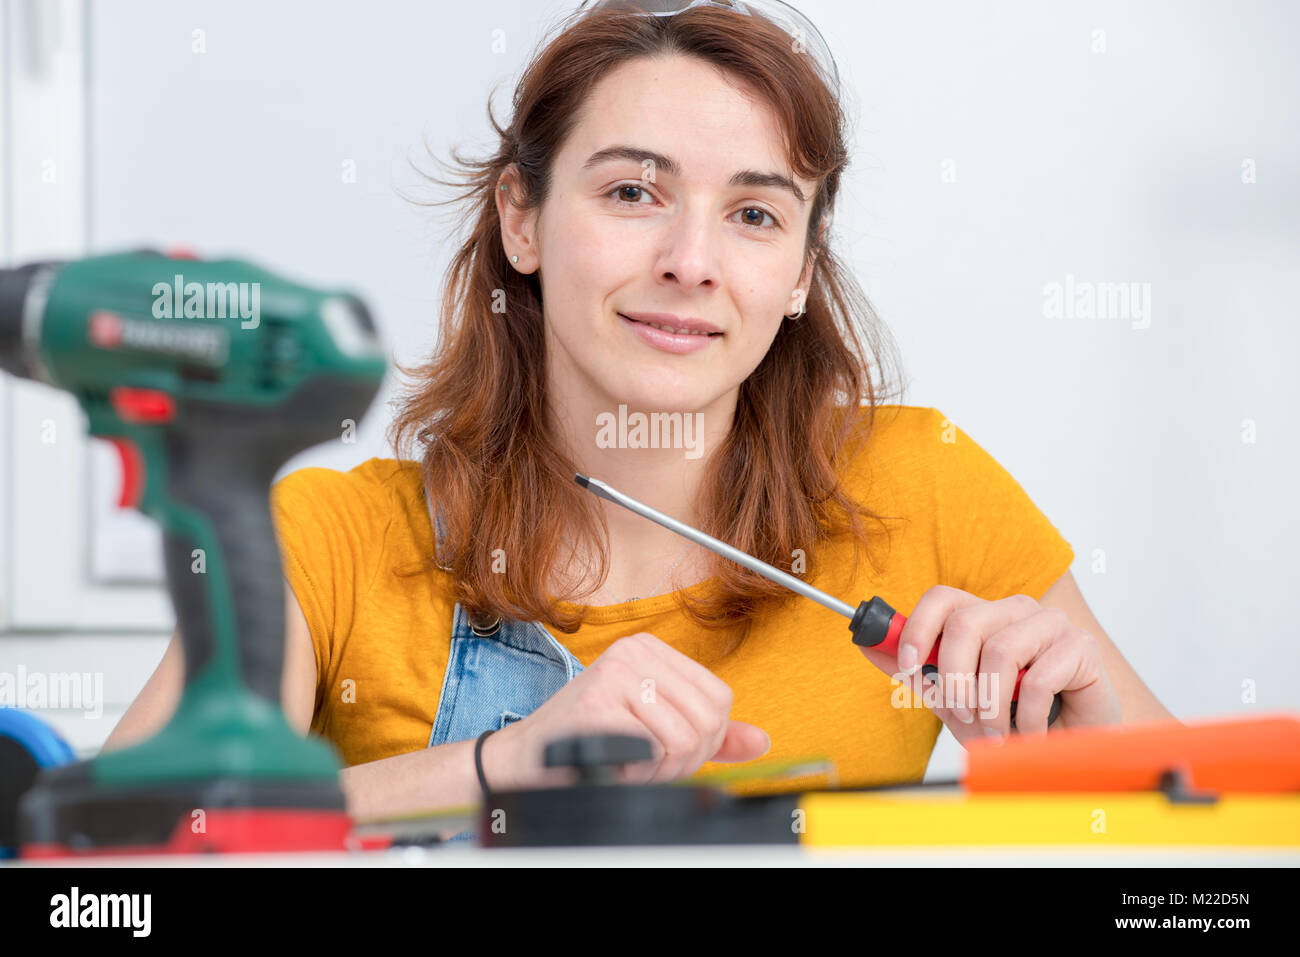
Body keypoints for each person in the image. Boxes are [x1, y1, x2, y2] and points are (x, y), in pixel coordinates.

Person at [104, 0, 1173, 825]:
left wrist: (1078, 766)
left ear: (801, 271)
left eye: (754, 214)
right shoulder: (329, 545)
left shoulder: (924, 492)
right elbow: (110, 857)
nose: (691, 264)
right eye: (631, 193)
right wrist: (499, 768)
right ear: (520, 221)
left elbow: (1213, 868)